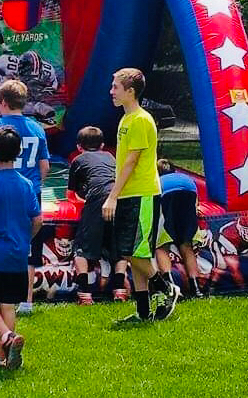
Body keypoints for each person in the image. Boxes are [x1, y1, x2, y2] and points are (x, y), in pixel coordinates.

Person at [102, 68, 180, 323]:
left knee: (133, 251)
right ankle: (143, 312)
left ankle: (167, 288)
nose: (112, 91)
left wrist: (112, 195)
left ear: (130, 92)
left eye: (116, 87)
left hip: (142, 194)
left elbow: (131, 162)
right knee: (132, 252)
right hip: (129, 194)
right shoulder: (126, 119)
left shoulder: (140, 120)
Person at [0, 79, 49, 314]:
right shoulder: (37, 128)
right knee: (28, 247)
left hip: (2, 188)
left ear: (3, 102)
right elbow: (45, 165)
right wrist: (37, 185)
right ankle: (26, 300)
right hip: (29, 188)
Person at [0, 125, 42, 369]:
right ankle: (1, 358)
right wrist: (26, 238)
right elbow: (37, 220)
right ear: (18, 152)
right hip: (18, 255)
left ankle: (7, 336)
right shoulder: (26, 185)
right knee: (7, 304)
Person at [68, 126, 129, 304]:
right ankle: (119, 289)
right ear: (102, 145)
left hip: (97, 202)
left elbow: (70, 195)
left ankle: (85, 292)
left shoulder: (78, 160)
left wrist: (84, 201)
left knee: (81, 247)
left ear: (79, 147)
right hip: (117, 199)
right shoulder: (110, 157)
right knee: (118, 247)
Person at [155, 159, 203, 299]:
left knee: (161, 247)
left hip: (166, 203)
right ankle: (196, 288)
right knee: (186, 245)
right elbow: (196, 205)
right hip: (187, 200)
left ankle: (171, 287)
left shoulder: (157, 182)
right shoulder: (187, 179)